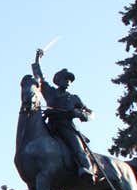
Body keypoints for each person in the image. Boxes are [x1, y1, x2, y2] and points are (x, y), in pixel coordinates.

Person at [32, 49, 95, 179]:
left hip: (67, 127)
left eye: (69, 80)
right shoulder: (50, 92)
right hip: (51, 126)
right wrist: (37, 60)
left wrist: (79, 114)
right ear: (58, 80)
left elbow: (90, 113)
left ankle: (86, 169)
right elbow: (40, 77)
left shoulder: (74, 98)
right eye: (65, 79)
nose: (68, 82)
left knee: (77, 148)